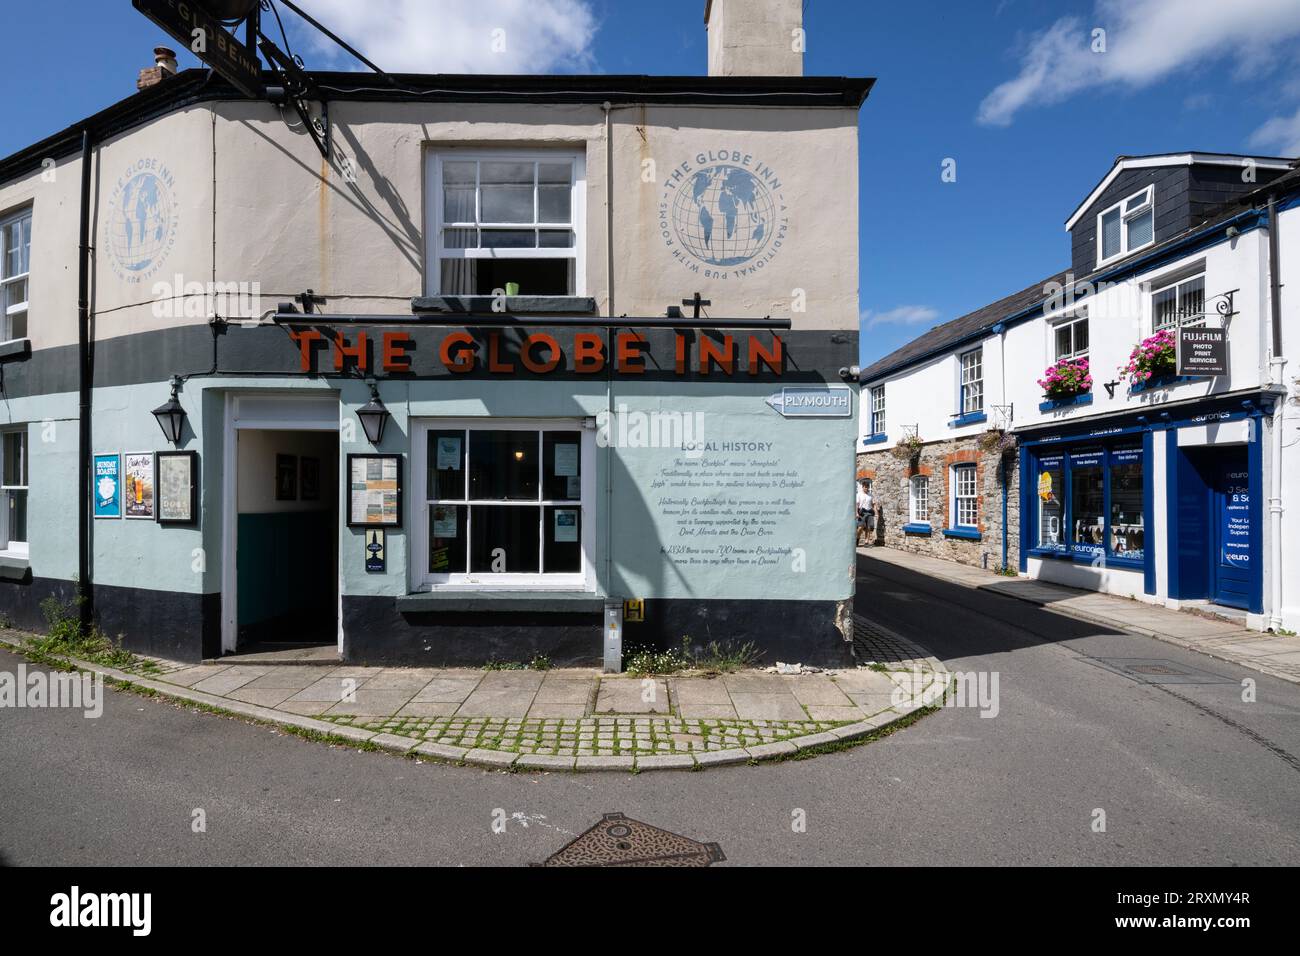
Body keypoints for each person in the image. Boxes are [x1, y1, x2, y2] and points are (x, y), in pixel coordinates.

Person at [856, 479, 875, 546]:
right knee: (860, 527)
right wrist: (856, 513)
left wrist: (875, 510)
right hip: (862, 512)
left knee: (868, 527)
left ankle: (866, 542)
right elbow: (857, 504)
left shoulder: (870, 495)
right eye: (865, 487)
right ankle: (857, 538)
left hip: (869, 512)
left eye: (867, 486)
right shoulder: (859, 494)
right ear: (863, 487)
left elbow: (873, 504)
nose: (866, 488)